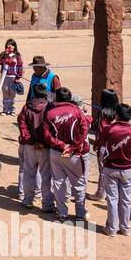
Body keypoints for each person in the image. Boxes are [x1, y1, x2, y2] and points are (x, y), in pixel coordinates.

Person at [44, 87, 90, 221]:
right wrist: (72, 146)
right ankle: (80, 213)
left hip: (56, 152)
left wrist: (61, 145)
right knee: (79, 184)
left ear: (57, 98)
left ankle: (62, 212)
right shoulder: (77, 111)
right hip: (74, 154)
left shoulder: (50, 113)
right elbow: (84, 130)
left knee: (58, 182)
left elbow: (47, 136)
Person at [98, 103, 131, 237]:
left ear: (116, 116)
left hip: (110, 168)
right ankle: (125, 228)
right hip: (127, 169)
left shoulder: (108, 129)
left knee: (112, 199)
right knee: (126, 199)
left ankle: (111, 228)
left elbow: (101, 143)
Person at [17, 81, 53, 211]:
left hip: (30, 146)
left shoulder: (26, 108)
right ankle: (47, 203)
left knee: (29, 173)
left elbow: (22, 126)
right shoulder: (49, 108)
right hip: (45, 147)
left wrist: (30, 140)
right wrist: (43, 142)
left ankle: (28, 200)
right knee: (46, 175)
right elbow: (50, 127)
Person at [0, 39, 24, 115]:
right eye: (8, 44)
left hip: (13, 77)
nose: (10, 46)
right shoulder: (3, 54)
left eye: (12, 45)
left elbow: (20, 66)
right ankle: (5, 109)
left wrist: (18, 77)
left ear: (14, 46)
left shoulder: (17, 56)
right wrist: (4, 55)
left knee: (12, 94)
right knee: (5, 93)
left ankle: (12, 109)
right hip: (4, 77)